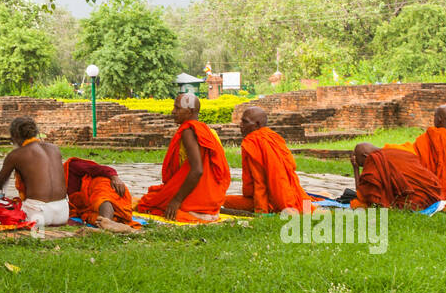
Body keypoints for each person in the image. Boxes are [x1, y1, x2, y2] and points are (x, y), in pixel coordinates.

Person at [134, 93, 231, 222]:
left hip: (200, 192)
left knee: (149, 203)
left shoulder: (188, 131)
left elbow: (197, 170)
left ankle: (193, 209)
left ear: (190, 111)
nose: (173, 111)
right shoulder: (207, 130)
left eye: (178, 108)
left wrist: (176, 200)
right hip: (212, 197)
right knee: (154, 196)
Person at [223, 106, 316, 214]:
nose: (240, 125)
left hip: (273, 201)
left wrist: (261, 211)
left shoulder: (252, 141)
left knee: (225, 201)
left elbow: (259, 182)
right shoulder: (274, 137)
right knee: (303, 203)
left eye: (245, 122)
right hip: (293, 194)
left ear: (257, 125)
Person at [0, 117, 68, 228]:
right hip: (63, 213)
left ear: (15, 136)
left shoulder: (16, 154)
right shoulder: (54, 148)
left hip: (37, 215)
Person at [349, 142, 441, 211]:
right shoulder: (399, 151)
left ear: (365, 156)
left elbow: (363, 196)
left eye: (358, 159)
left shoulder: (374, 160)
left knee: (358, 204)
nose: (356, 160)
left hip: (414, 201)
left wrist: (356, 169)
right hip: (433, 194)